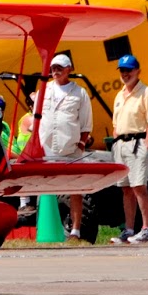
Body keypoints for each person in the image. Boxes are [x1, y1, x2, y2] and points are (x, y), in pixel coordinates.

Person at [36, 53, 94, 238]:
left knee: (75, 189)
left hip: (70, 148)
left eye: (60, 67)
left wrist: (81, 145)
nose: (55, 71)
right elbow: (35, 118)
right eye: (53, 68)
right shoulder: (43, 90)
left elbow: (86, 124)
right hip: (47, 147)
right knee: (46, 188)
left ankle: (75, 230)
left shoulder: (80, 93)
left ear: (69, 69)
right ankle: (48, 228)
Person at [109, 54, 148, 244]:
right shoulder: (119, 95)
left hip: (138, 142)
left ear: (138, 70)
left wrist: (147, 145)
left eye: (129, 70)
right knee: (125, 188)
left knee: (139, 186)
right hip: (121, 144)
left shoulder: (146, 92)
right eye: (122, 70)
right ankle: (129, 229)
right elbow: (115, 123)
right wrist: (116, 142)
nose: (125, 73)